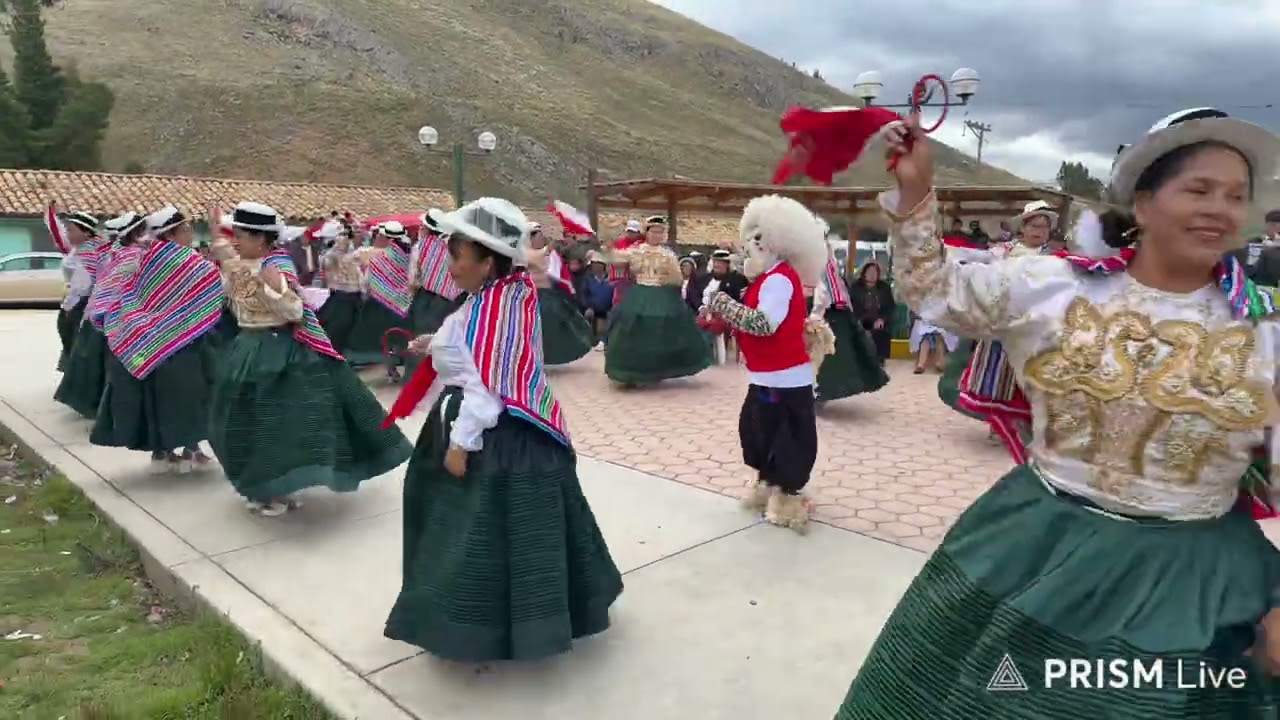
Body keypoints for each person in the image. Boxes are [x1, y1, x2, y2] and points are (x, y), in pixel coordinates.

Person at [834, 108, 1280, 717]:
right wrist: (916, 190)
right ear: (1143, 204)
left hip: (1199, 580)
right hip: (1038, 546)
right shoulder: (1053, 287)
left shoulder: (1264, 331)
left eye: (1235, 196)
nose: (1219, 208)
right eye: (1198, 189)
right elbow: (935, 290)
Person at [382, 197, 622, 662]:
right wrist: (435, 344)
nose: (448, 266)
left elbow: (487, 387)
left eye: (457, 256)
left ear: (487, 261)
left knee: (476, 532)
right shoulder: (498, 297)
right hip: (497, 427)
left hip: (490, 435)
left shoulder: (497, 306)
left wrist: (460, 443)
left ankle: (475, 626)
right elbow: (475, 347)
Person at [207, 202, 412, 516]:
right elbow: (222, 251)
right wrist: (215, 229)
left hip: (277, 353)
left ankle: (275, 487)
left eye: (242, 235)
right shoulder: (240, 263)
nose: (235, 241)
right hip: (250, 350)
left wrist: (277, 290)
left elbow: (295, 312)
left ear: (261, 240)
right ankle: (263, 488)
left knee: (278, 426)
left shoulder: (275, 267)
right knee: (251, 423)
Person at [705, 196, 828, 531]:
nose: (750, 248)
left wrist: (721, 303)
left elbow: (763, 323)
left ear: (776, 243)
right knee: (759, 433)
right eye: (750, 240)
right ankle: (768, 485)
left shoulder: (778, 279)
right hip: (766, 376)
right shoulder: (767, 277)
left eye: (757, 241)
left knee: (786, 439)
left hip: (786, 379)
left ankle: (787, 497)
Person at [94, 206, 221, 472]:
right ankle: (190, 451)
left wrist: (137, 323)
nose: (190, 234)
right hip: (182, 343)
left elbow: (113, 294)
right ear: (172, 233)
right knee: (189, 398)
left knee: (157, 400)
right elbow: (214, 287)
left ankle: (162, 453)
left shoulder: (139, 256)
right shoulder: (188, 260)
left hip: (145, 342)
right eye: (186, 229)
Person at [54, 213, 146, 418]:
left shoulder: (110, 253)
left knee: (97, 364)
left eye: (72, 229)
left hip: (96, 314)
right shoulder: (128, 256)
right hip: (112, 316)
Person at [604, 216, 712, 385]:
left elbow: (676, 278)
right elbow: (618, 259)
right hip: (640, 293)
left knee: (661, 333)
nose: (657, 235)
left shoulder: (668, 255)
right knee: (632, 329)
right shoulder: (637, 250)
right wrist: (609, 249)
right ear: (646, 233)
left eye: (660, 232)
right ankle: (631, 371)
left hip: (662, 294)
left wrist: (670, 285)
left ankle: (659, 369)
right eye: (653, 232)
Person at [807, 223, 890, 401]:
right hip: (827, 308)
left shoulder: (823, 255)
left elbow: (830, 284)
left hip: (830, 309)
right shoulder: (817, 256)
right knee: (828, 353)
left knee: (832, 353)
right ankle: (817, 391)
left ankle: (820, 391)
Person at [346, 221, 415, 379]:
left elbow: (366, 283)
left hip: (381, 305)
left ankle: (391, 367)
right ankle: (404, 367)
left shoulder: (377, 259)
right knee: (402, 336)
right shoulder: (410, 256)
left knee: (386, 339)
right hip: (405, 305)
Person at [525, 222, 593, 365]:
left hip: (548, 293)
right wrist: (549, 248)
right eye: (536, 237)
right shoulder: (526, 253)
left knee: (556, 324)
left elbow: (558, 271)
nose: (539, 239)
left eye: (540, 237)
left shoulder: (548, 253)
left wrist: (568, 285)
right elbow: (535, 257)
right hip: (530, 294)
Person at [54, 210, 106, 372]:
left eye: (71, 230)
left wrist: (72, 306)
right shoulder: (77, 249)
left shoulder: (90, 250)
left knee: (77, 340)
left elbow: (85, 284)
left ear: (85, 232)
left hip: (84, 303)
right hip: (75, 300)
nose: (68, 234)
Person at [316, 222, 364, 350]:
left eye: (346, 235)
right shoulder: (329, 257)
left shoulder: (352, 255)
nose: (346, 238)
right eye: (341, 235)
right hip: (340, 300)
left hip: (351, 300)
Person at [847, 261, 894, 364]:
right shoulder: (855, 287)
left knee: (880, 331)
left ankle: (879, 361)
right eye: (870, 272)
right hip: (861, 320)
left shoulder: (884, 287)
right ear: (864, 273)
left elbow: (890, 307)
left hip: (879, 320)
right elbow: (851, 307)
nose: (872, 275)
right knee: (862, 329)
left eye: (875, 272)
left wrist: (882, 319)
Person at [580, 251, 613, 346]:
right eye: (593, 265)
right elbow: (583, 295)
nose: (595, 267)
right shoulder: (588, 279)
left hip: (608, 311)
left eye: (597, 264)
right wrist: (588, 307)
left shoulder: (610, 279)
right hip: (593, 310)